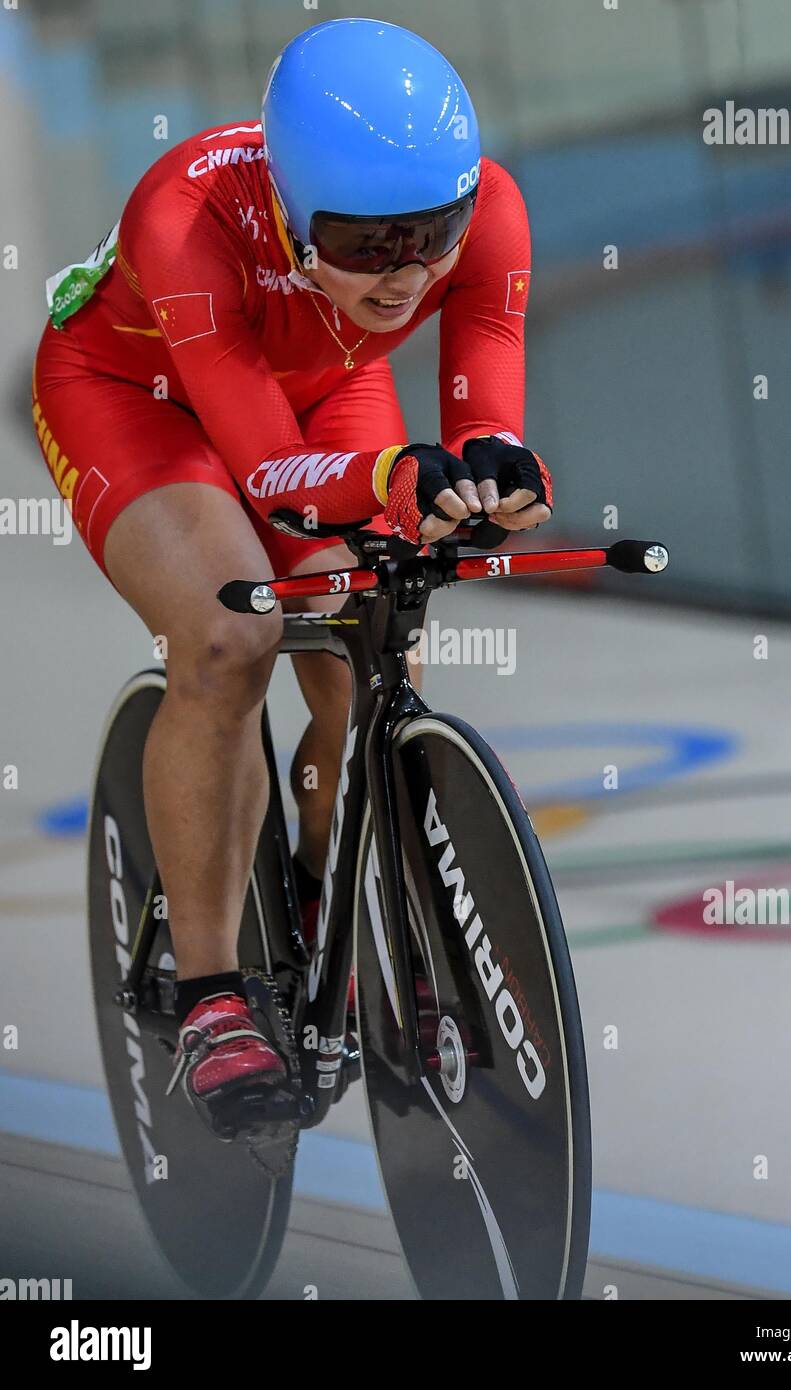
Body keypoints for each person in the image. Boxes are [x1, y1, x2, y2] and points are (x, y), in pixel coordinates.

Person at [33, 18, 551, 1135]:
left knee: (375, 647)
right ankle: (213, 990)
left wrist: (496, 464)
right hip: (139, 398)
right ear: (284, 208)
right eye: (368, 243)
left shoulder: (492, 208)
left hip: (318, 388)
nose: (408, 273)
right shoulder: (182, 216)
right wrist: (392, 477)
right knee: (232, 636)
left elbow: (479, 415)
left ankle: (329, 889)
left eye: (434, 235)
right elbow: (271, 474)